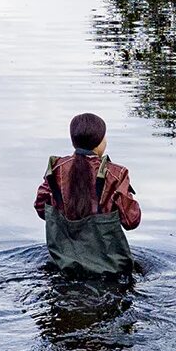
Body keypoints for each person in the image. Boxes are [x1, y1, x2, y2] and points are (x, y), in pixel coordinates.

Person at [34, 112, 141, 277]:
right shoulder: (116, 174)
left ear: (73, 141)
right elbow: (131, 221)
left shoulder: (56, 169)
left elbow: (41, 209)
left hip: (63, 266)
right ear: (99, 142)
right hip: (110, 270)